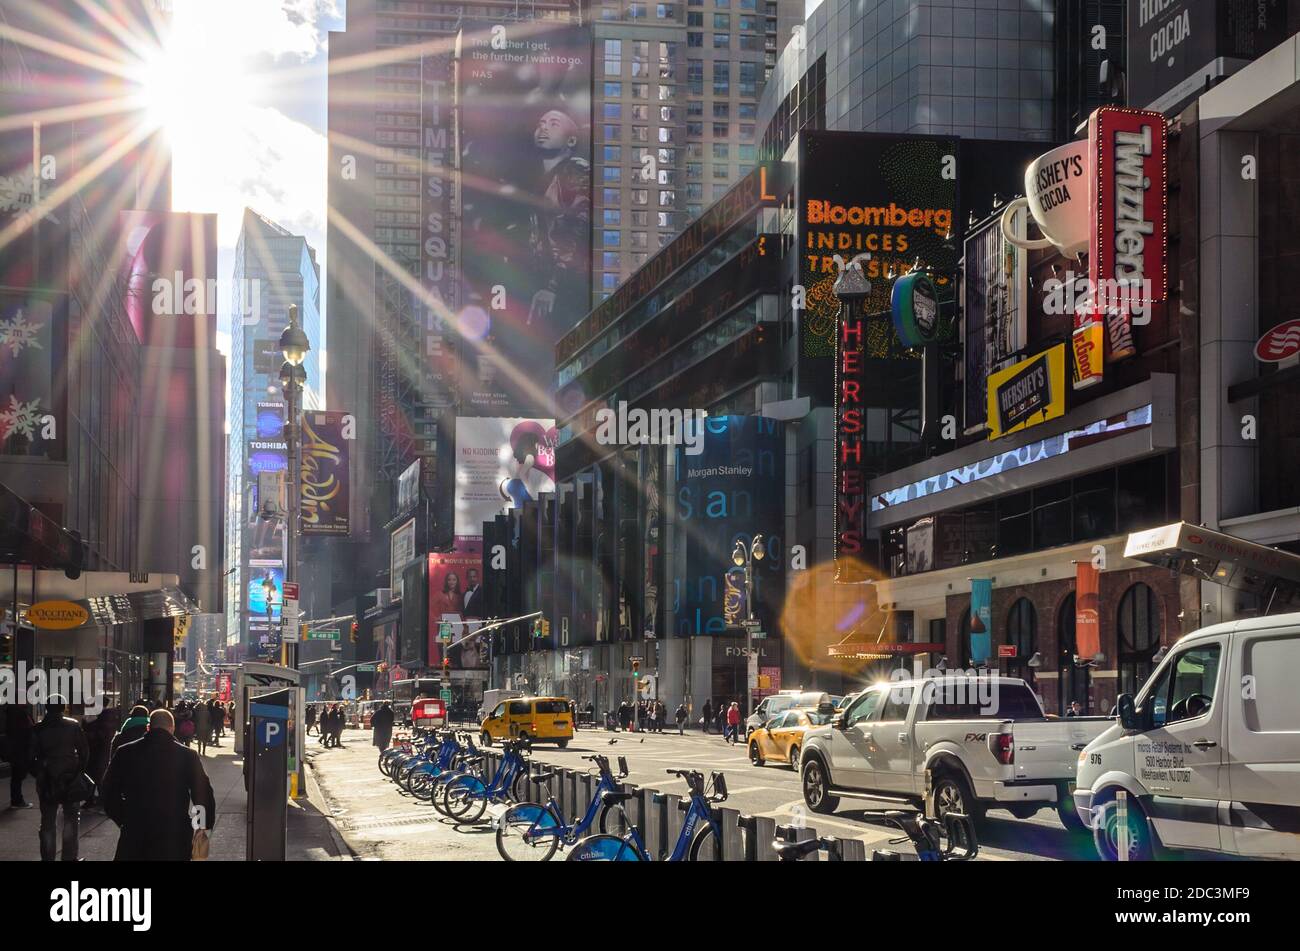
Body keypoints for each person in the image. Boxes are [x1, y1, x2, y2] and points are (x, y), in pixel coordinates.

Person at [100, 708, 216, 861]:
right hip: (174, 833)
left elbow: (108, 791)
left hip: (135, 831)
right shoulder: (187, 755)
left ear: (149, 727)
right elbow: (202, 795)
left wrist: (124, 818)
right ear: (172, 728)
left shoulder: (125, 752)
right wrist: (201, 825)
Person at [31, 696, 89, 861]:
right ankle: (69, 858)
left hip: (47, 779)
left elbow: (31, 756)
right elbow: (84, 752)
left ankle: (48, 858)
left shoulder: (38, 729)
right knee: (71, 819)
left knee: (48, 822)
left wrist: (40, 774)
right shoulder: (72, 726)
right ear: (63, 708)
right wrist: (78, 772)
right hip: (69, 778)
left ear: (47, 708)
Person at [4, 701, 36, 808]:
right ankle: (17, 801)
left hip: (18, 749)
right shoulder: (18, 712)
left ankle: (17, 800)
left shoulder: (16, 711)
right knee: (18, 776)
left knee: (17, 776)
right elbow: (24, 731)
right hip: (20, 750)